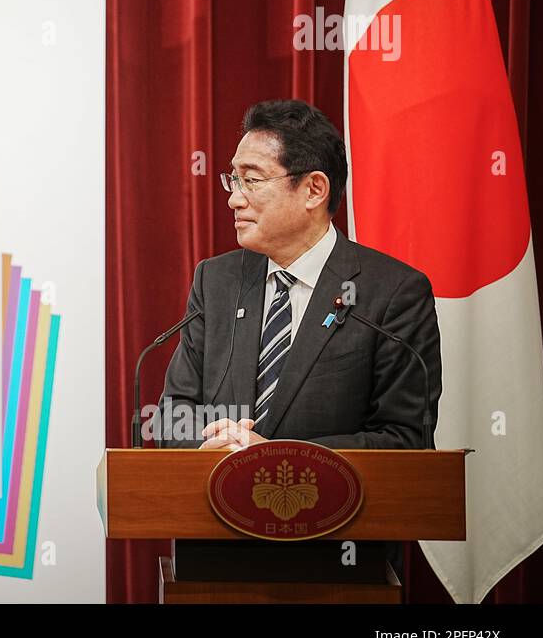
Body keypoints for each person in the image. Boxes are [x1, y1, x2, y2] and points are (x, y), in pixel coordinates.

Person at [152, 99, 442, 451]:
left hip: (336, 504)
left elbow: (404, 438)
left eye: (252, 180)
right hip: (214, 496)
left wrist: (277, 456)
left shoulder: (392, 293)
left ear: (314, 190)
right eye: (235, 180)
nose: (234, 199)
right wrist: (211, 447)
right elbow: (173, 413)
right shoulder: (216, 282)